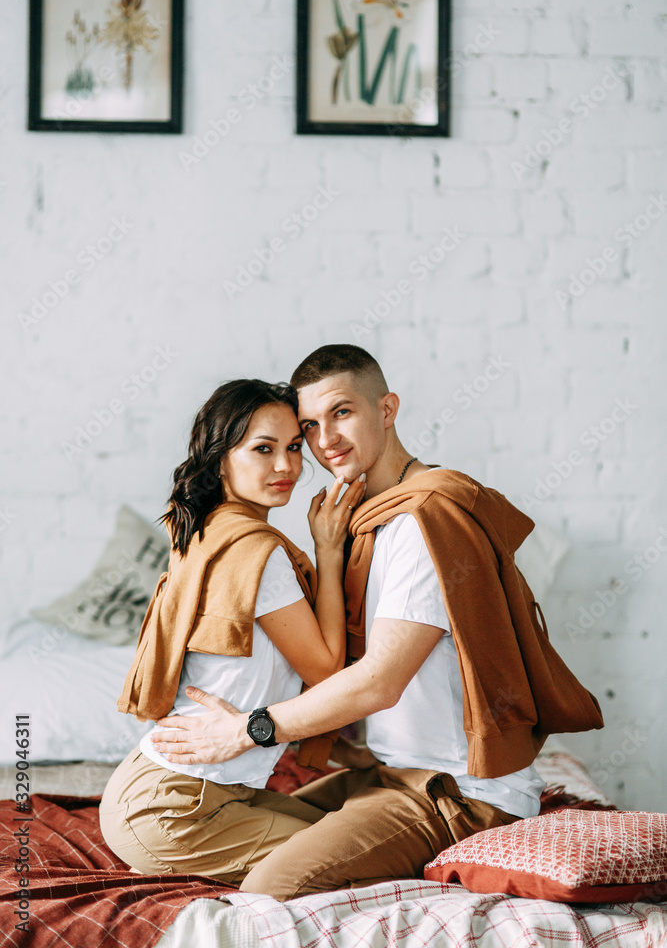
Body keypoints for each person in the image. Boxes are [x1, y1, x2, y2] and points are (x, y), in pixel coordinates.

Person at [150, 345, 604, 900]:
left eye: (342, 413)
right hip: (392, 774)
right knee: (225, 837)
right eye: (310, 427)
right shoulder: (371, 521)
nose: (324, 442)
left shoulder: (423, 521)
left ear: (386, 409)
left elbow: (379, 681)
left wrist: (246, 728)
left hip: (456, 793)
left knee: (271, 885)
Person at [100, 378, 366, 883]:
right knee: (365, 862)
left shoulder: (212, 529)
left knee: (355, 833)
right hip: (174, 810)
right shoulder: (256, 552)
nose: (286, 466)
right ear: (221, 457)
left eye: (293, 447)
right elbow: (328, 668)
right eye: (263, 449)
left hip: (192, 794)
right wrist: (329, 554)